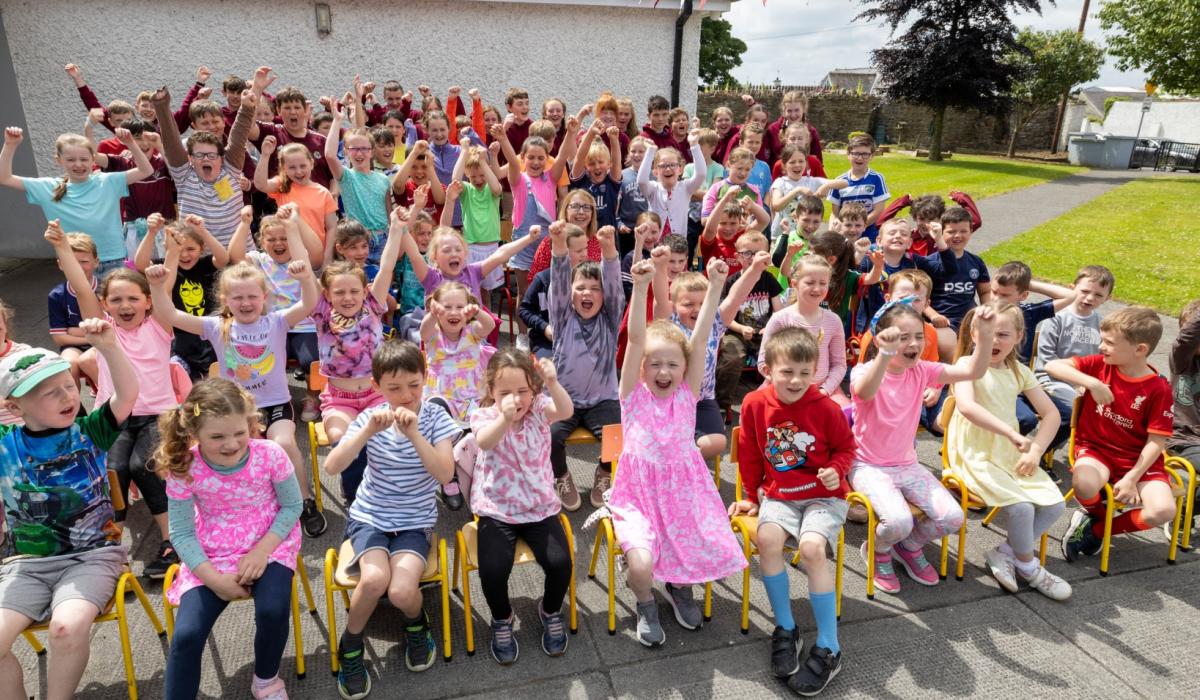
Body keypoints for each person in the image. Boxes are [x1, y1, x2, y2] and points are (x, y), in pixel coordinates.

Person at [146, 236, 328, 539]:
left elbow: (309, 303)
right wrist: (155, 286)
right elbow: (169, 315)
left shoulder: (277, 322)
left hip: (275, 403)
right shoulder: (216, 326)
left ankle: (305, 500)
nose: (246, 303)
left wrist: (307, 276)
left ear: (264, 296)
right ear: (225, 300)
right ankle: (253, 506)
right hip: (234, 411)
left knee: (283, 444)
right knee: (241, 453)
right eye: (238, 298)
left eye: (252, 297)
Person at [612, 256, 744, 646]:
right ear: (641, 369)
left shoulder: (688, 394)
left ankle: (678, 583)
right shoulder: (632, 396)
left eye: (672, 364)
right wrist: (639, 288)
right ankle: (645, 601)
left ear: (685, 369)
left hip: (682, 489)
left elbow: (700, 339)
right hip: (638, 493)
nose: (663, 371)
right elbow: (636, 339)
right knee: (640, 564)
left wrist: (716, 285)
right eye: (654, 365)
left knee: (690, 545)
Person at [0, 321, 135, 700]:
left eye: (68, 386)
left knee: (65, 627)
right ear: (13, 406)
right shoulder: (4, 445)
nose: (66, 397)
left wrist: (109, 347)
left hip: (93, 556)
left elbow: (127, 394)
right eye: (49, 393)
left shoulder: (89, 431)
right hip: (26, 563)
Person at [324, 340, 459, 698]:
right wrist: (366, 431)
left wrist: (414, 433)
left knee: (400, 591)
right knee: (373, 580)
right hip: (370, 516)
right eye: (394, 388)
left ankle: (417, 624)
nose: (406, 395)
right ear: (377, 386)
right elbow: (332, 465)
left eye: (414, 385)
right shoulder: (370, 418)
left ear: (425, 378)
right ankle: (351, 645)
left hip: (414, 520)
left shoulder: (435, 418)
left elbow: (445, 474)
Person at [46, 220, 179, 578]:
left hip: (158, 416)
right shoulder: (102, 329)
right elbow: (79, 285)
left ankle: (172, 541)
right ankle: (110, 544)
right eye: (116, 299)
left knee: (145, 465)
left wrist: (171, 254)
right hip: (115, 416)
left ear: (147, 303)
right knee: (111, 470)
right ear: (104, 304)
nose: (125, 305)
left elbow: (166, 286)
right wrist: (61, 247)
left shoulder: (159, 325)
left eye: (133, 298)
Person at [156, 379, 302, 700]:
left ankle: (266, 680)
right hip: (212, 551)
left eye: (239, 432)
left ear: (250, 422)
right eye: (217, 437)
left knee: (272, 609)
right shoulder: (184, 466)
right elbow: (180, 532)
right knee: (187, 636)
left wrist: (262, 551)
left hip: (270, 540)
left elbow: (293, 505)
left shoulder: (270, 454)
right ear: (194, 434)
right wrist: (214, 580)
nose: (232, 444)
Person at [730, 327, 855, 694]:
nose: (797, 380)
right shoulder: (754, 403)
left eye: (805, 372)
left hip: (822, 496)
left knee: (814, 549)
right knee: (767, 540)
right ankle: (786, 627)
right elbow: (751, 451)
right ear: (767, 368)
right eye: (787, 372)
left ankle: (830, 646)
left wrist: (837, 469)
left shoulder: (827, 408)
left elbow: (847, 449)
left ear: (814, 371)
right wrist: (751, 496)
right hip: (780, 494)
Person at [849, 301, 995, 594]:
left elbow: (974, 372)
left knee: (953, 517)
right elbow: (865, 391)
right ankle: (878, 550)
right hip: (868, 466)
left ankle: (910, 546)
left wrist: (987, 333)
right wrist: (884, 355)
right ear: (882, 340)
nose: (914, 343)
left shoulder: (922, 370)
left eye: (918, 335)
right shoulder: (864, 371)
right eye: (903, 337)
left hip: (907, 465)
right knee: (899, 521)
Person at [944, 304, 1070, 600]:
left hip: (1006, 452)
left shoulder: (1018, 370)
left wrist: (1036, 450)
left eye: (1003, 334)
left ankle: (1006, 553)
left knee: (1055, 505)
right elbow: (967, 407)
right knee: (1022, 507)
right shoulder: (965, 364)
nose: (996, 341)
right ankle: (1029, 566)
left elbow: (1051, 414)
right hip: (974, 452)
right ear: (975, 334)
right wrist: (1012, 433)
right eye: (989, 333)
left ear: (1019, 337)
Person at [463, 350, 575, 665]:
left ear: (533, 390)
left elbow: (565, 410)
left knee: (560, 563)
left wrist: (552, 382)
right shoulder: (484, 415)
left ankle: (550, 610)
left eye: (523, 391)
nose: (516, 399)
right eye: (505, 393)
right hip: (497, 508)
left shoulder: (540, 409)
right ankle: (502, 617)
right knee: (493, 570)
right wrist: (504, 416)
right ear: (491, 392)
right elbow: (484, 442)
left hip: (539, 506)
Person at [1045, 306, 1178, 562]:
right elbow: (1053, 366)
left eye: (1109, 342)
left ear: (1140, 350)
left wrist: (1131, 478)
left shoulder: (1159, 388)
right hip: (1095, 450)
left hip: (1137, 460)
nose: (1101, 346)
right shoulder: (1099, 366)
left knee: (1162, 511)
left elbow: (1156, 442)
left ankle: (1097, 529)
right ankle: (1100, 513)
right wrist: (1091, 383)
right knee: (1084, 484)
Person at [311, 211, 404, 506]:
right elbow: (306, 279)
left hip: (377, 394)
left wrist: (397, 228)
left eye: (354, 291)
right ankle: (354, 495)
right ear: (327, 294)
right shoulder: (322, 312)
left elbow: (387, 265)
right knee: (345, 439)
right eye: (340, 292)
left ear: (365, 292)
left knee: (391, 438)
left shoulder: (374, 305)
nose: (348, 297)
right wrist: (290, 229)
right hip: (340, 399)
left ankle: (385, 489)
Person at [658, 251, 771, 459]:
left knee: (717, 443)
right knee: (663, 442)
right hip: (667, 400)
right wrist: (658, 268)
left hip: (702, 400)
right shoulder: (668, 321)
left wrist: (755, 269)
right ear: (674, 305)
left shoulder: (714, 322)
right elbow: (658, 295)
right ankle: (679, 461)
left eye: (702, 303)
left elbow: (736, 296)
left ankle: (684, 460)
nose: (697, 309)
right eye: (688, 304)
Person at [0, 126, 152, 275]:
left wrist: (131, 143)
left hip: (114, 259)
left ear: (93, 158)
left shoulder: (107, 181)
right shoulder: (48, 187)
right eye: (71, 160)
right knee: (84, 301)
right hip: (77, 264)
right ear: (59, 160)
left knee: (117, 300)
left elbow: (146, 170)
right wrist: (10, 145)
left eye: (84, 159)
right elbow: (4, 178)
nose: (78, 164)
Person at [547, 223, 624, 510]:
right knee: (551, 437)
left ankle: (604, 474)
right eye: (580, 288)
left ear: (604, 297)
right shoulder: (562, 317)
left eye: (595, 289)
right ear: (570, 293)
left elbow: (615, 286)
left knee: (618, 436)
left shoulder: (610, 318)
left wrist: (608, 250)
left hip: (602, 399)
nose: (587, 293)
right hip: (563, 397)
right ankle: (562, 476)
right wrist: (558, 247)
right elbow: (558, 280)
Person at [150, 85, 256, 246]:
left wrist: (247, 107)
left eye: (211, 155)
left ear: (221, 156)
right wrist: (162, 106)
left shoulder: (231, 168)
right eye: (200, 155)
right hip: (196, 255)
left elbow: (238, 137)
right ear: (190, 158)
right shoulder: (184, 175)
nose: (206, 159)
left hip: (238, 251)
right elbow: (171, 143)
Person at [134, 214, 230, 380]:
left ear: (202, 248)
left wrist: (202, 231)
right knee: (184, 370)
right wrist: (151, 233)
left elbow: (223, 258)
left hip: (210, 331)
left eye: (190, 249)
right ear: (167, 248)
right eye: (179, 249)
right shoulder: (166, 264)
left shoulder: (205, 264)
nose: (184, 255)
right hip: (181, 334)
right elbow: (141, 264)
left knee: (218, 369)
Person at [1033, 265, 1114, 457]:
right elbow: (1047, 361)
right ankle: (1042, 451)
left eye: (1098, 295)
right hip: (1051, 380)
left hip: (1084, 384)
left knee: (1115, 411)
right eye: (1085, 291)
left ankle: (1090, 453)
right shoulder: (1056, 318)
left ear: (1108, 298)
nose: (1090, 298)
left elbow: (1101, 360)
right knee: (1078, 410)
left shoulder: (1101, 323)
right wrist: (1080, 383)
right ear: (1072, 288)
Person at [758, 255, 849, 407]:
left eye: (823, 283)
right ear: (795, 283)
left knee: (845, 416)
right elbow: (763, 361)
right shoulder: (780, 319)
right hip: (783, 387)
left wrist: (824, 390)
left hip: (822, 389)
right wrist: (785, 385)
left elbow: (839, 364)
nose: (817, 288)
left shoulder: (833, 321)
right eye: (810, 282)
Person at [714, 232, 782, 415]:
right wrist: (741, 328)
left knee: (783, 356)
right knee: (731, 358)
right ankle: (722, 402)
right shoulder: (732, 282)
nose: (753, 258)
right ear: (737, 257)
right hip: (737, 332)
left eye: (759, 253)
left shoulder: (769, 280)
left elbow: (779, 311)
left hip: (765, 333)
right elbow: (724, 316)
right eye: (747, 254)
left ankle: (779, 400)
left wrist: (769, 328)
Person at [420, 281, 496, 424]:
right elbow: (423, 332)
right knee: (438, 420)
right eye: (447, 307)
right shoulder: (433, 333)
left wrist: (478, 312)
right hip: (441, 394)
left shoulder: (472, 330)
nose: (454, 312)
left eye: (460, 307)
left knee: (476, 425)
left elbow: (490, 326)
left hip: (471, 394)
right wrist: (432, 315)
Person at [326, 108, 393, 266]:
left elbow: (389, 212)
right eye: (354, 148)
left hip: (383, 238)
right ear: (346, 151)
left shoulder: (383, 179)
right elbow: (329, 155)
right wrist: (337, 120)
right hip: (358, 241)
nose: (359, 153)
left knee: (381, 282)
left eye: (364, 148)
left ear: (372, 151)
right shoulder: (346, 177)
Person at [925, 207, 992, 361]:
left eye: (963, 231)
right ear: (941, 233)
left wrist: (986, 309)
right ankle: (950, 383)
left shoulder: (976, 262)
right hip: (942, 321)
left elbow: (985, 292)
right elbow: (918, 298)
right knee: (950, 351)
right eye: (951, 231)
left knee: (994, 340)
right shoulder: (930, 262)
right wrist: (934, 315)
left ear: (970, 231)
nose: (957, 236)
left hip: (970, 319)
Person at [444, 141, 503, 310]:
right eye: (472, 176)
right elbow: (455, 179)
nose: (477, 180)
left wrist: (484, 161)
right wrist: (464, 151)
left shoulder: (491, 190)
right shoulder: (467, 190)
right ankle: (472, 326)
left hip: (491, 248)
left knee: (486, 292)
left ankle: (489, 326)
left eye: (481, 175)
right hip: (471, 247)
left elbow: (497, 189)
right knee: (471, 291)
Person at [255, 137, 339, 253]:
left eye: (303, 166)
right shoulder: (281, 185)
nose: (298, 171)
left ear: (311, 163)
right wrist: (265, 156)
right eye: (292, 167)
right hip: (289, 253)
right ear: (284, 168)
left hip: (316, 253)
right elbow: (260, 185)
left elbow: (332, 228)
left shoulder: (323, 193)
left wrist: (328, 256)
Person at [521, 225, 593, 360]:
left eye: (585, 248)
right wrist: (544, 327)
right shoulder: (543, 280)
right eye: (578, 251)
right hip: (547, 343)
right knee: (551, 366)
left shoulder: (591, 279)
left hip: (583, 340)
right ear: (561, 251)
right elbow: (525, 310)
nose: (584, 254)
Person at [990, 261, 1077, 366]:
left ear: (1023, 295)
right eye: (994, 292)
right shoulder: (983, 313)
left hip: (1018, 374)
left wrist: (1028, 284)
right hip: (986, 371)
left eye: (1005, 295)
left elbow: (1070, 295)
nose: (996, 299)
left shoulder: (1029, 312)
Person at [47, 232, 100, 385]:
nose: (78, 267)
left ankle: (108, 400)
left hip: (105, 344)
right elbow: (60, 338)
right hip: (74, 346)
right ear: (60, 264)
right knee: (67, 364)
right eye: (71, 262)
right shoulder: (56, 295)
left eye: (84, 261)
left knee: (91, 361)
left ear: (96, 262)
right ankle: (76, 408)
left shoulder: (107, 288)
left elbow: (112, 328)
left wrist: (74, 330)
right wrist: (88, 337)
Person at [1167, 298, 1200, 537]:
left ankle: (1186, 508)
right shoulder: (1182, 361)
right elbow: (1187, 339)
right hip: (1183, 437)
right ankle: (1182, 511)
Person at [638, 134, 706, 241]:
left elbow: (701, 174)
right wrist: (650, 151)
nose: (668, 169)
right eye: (663, 166)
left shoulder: (685, 188)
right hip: (655, 243)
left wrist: (694, 145)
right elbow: (641, 181)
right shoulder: (653, 189)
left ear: (680, 169)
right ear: (655, 172)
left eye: (672, 165)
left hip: (678, 245)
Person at [827, 134, 888, 242]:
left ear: (872, 156)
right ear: (848, 154)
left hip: (868, 234)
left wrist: (857, 228)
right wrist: (836, 228)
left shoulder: (877, 178)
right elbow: (835, 212)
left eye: (865, 154)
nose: (860, 158)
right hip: (844, 234)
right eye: (855, 153)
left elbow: (878, 210)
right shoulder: (839, 181)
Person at [699, 186, 770, 277]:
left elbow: (764, 221)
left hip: (740, 288)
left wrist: (753, 206)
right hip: (716, 288)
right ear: (716, 223)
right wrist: (725, 199)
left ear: (740, 223)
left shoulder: (743, 237)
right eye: (723, 223)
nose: (728, 228)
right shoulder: (711, 240)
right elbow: (709, 229)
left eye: (733, 223)